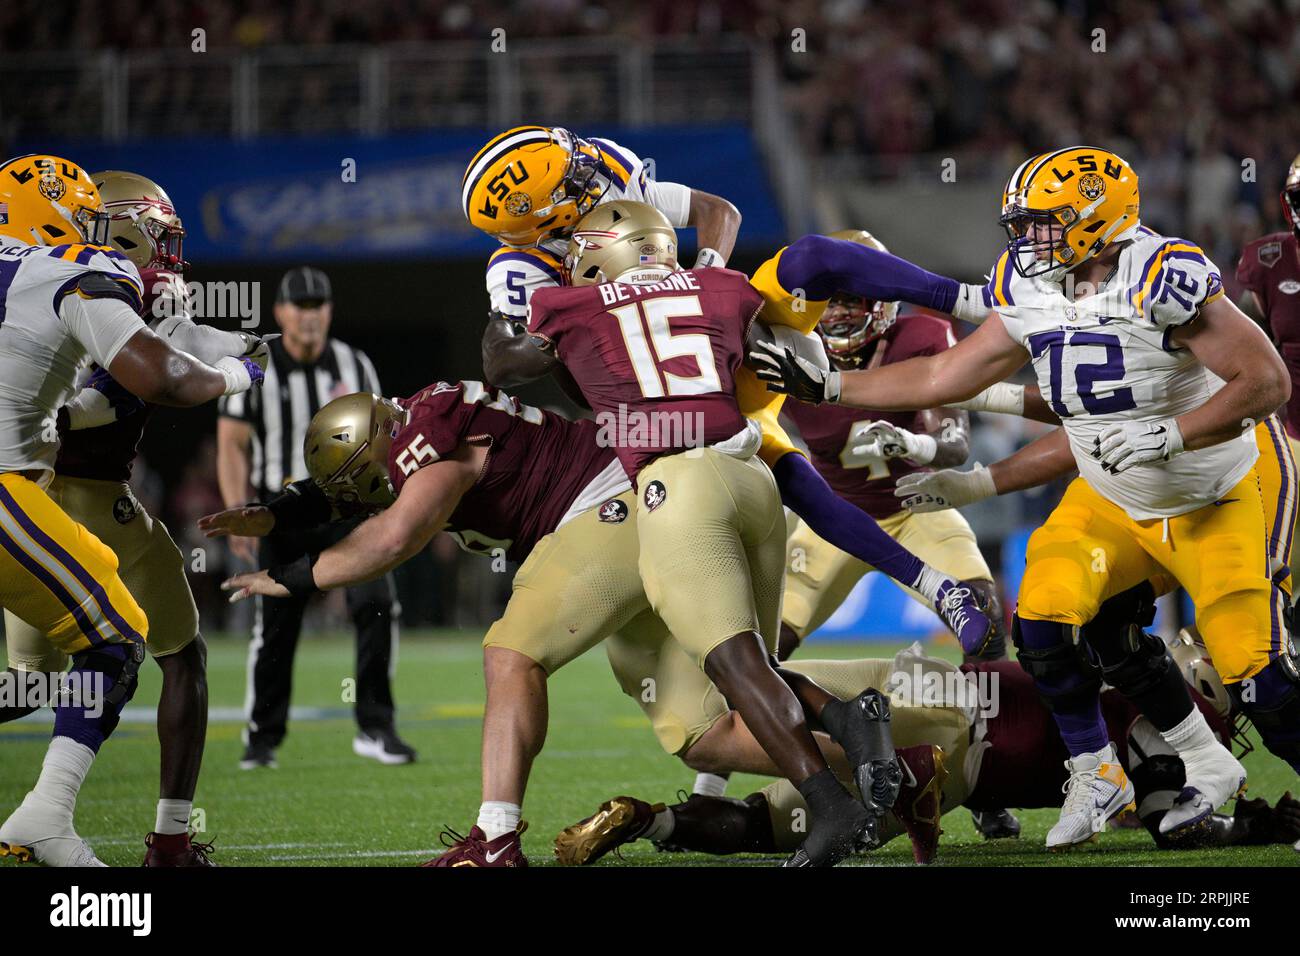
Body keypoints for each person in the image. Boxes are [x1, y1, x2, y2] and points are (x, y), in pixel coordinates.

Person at [751, 147, 1290, 848]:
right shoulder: (1032, 285)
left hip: (1214, 488)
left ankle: (1205, 756)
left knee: (1257, 677)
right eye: (1024, 224)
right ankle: (1109, 771)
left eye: (1044, 223)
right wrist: (830, 387)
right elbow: (949, 376)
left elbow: (1266, 382)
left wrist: (1170, 434)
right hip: (1114, 493)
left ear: (1095, 217)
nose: (1027, 239)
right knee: (1043, 623)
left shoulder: (1162, 277)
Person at [0, 154, 263, 866]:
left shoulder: (57, 280)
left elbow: (191, 351)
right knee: (138, 650)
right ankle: (158, 838)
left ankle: (143, 834)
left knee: (46, 679)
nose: (167, 253)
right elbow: (120, 391)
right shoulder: (83, 281)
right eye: (153, 236)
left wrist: (243, 351)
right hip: (51, 496)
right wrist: (239, 367)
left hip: (52, 492)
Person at [558, 637, 1300, 863]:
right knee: (829, 800)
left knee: (758, 707)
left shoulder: (1132, 667)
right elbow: (1173, 822)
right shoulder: (1173, 722)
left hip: (921, 680)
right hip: (951, 750)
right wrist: (1247, 825)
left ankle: (648, 818)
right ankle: (655, 819)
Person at [215, 266, 413, 768]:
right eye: (299, 305)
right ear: (280, 312)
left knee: (375, 603)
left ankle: (376, 727)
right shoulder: (256, 363)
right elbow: (232, 445)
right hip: (280, 510)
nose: (309, 315)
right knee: (277, 624)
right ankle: (262, 738)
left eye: (318, 304)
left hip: (347, 506)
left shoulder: (354, 363)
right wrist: (239, 509)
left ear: (328, 310)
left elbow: (382, 438)